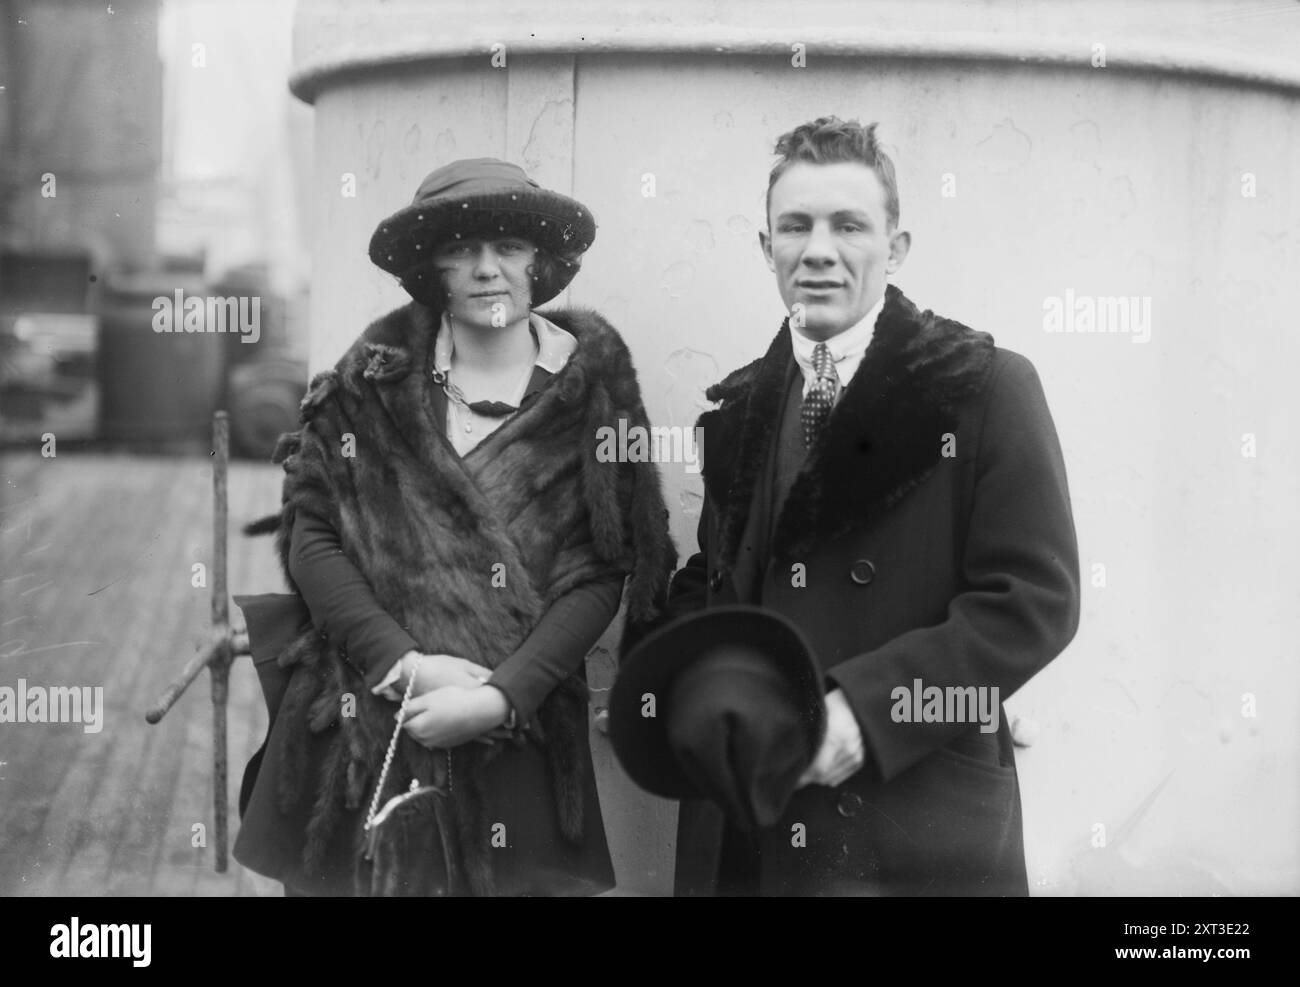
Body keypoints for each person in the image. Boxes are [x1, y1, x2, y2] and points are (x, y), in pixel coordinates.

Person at [232, 158, 675, 896]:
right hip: (364, 724)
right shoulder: (371, 381)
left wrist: (501, 696)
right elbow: (312, 537)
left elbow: (601, 571)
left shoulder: (592, 399)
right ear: (432, 269)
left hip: (515, 735)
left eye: (508, 247)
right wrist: (405, 666)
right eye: (461, 249)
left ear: (540, 260)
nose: (487, 269)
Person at [661, 117, 1081, 895]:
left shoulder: (984, 387)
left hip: (911, 820)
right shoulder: (740, 408)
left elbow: (1034, 603)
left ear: (896, 247)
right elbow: (722, 581)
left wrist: (869, 713)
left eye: (849, 224)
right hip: (752, 831)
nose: (819, 249)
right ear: (768, 249)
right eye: (796, 226)